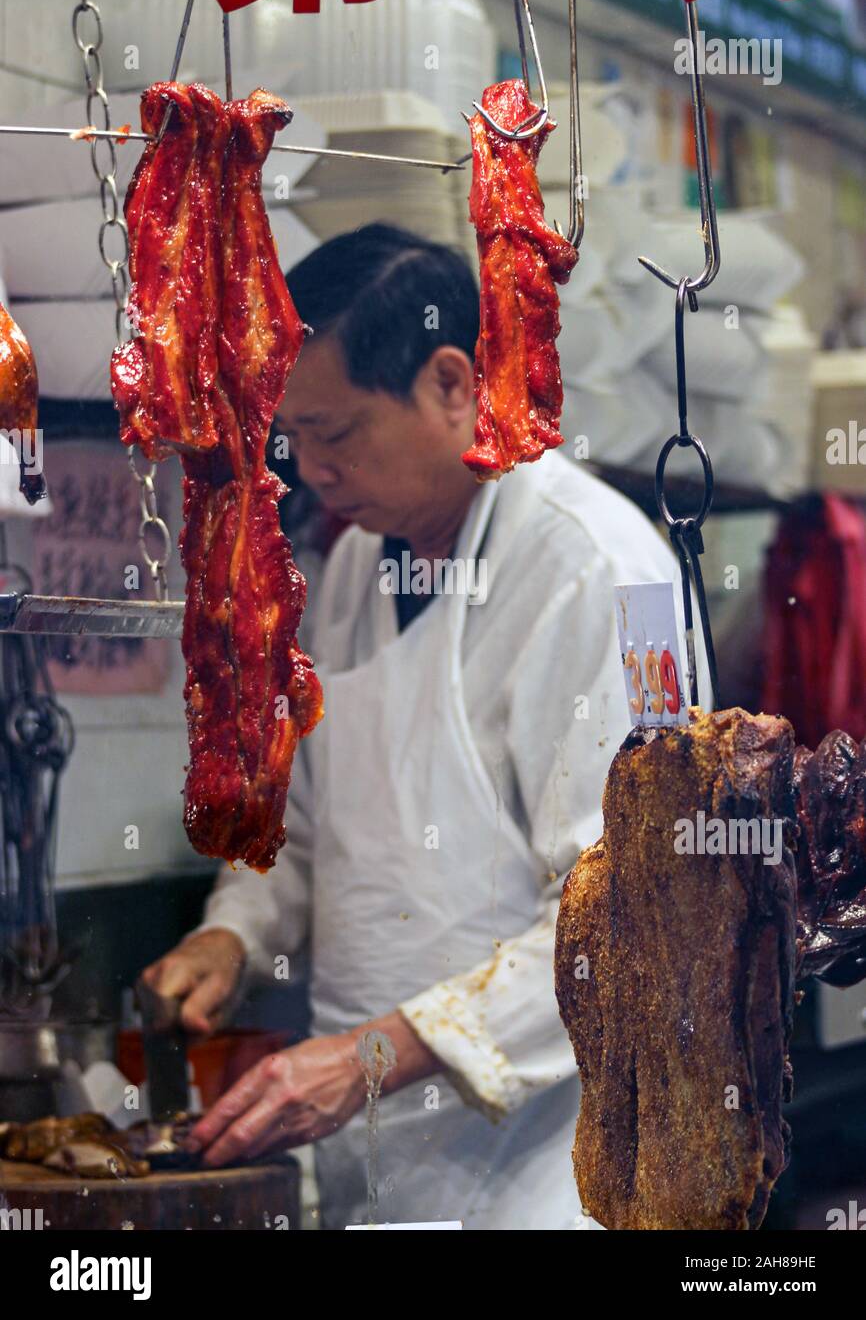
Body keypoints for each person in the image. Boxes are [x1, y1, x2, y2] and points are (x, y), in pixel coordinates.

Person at [141, 223, 697, 1230]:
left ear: (451, 383)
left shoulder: (613, 572)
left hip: (554, 1176)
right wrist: (234, 932)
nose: (307, 469)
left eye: (336, 433)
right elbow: (306, 830)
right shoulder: (355, 566)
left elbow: (634, 911)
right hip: (380, 1164)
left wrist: (375, 1055)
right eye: (292, 438)